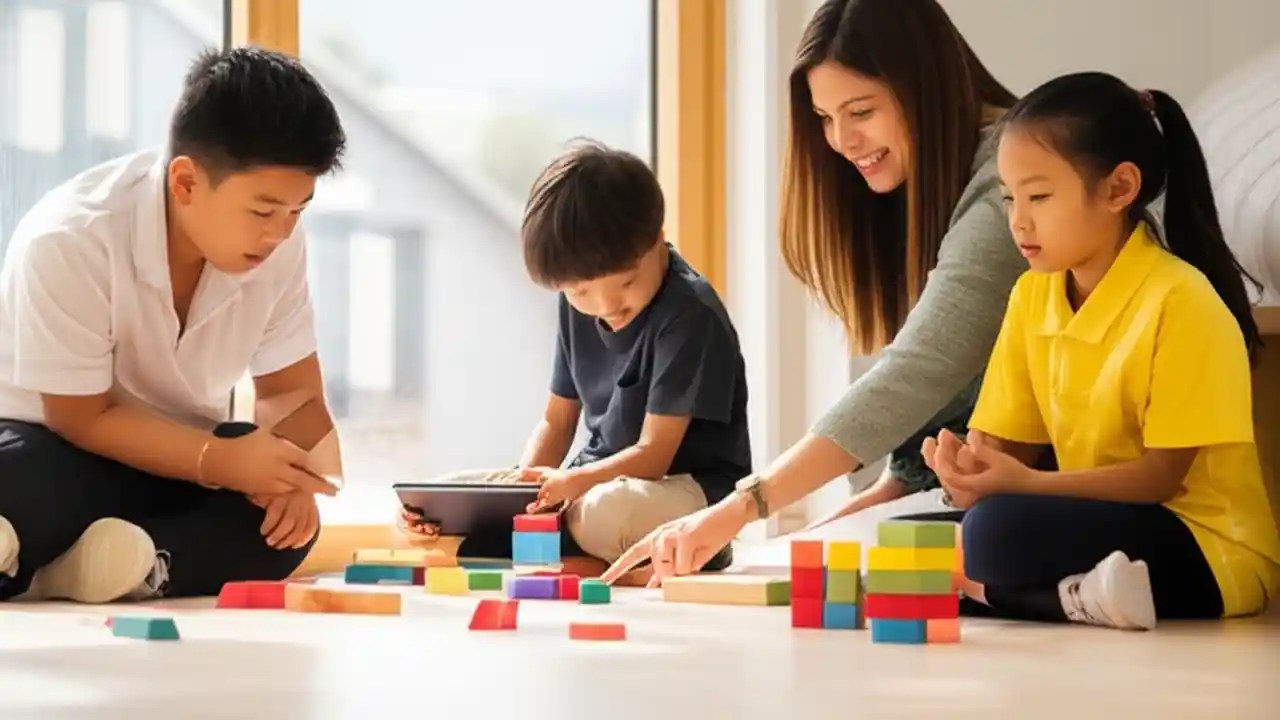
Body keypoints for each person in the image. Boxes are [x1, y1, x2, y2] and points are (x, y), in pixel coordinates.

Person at [603, 0, 1028, 583]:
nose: (842, 140)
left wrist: (741, 507)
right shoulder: (935, 180)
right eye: (825, 117)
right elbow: (929, 437)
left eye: (861, 111)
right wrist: (803, 540)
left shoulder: (1009, 184)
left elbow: (920, 370)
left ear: (924, 86)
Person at [920, 72, 1280, 629]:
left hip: (1203, 544)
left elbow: (1159, 479)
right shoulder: (1032, 295)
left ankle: (1024, 595)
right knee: (919, 538)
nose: (1018, 221)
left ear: (1119, 189)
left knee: (992, 536)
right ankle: (1075, 596)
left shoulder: (1182, 300)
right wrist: (968, 468)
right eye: (1010, 198)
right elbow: (1005, 449)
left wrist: (1027, 485)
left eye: (1039, 197)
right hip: (1100, 519)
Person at [0, 47, 346, 604]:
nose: (280, 234)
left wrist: (289, 474)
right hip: (60, 446)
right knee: (25, 474)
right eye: (263, 211)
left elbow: (292, 392)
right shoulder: (71, 238)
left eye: (297, 211)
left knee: (284, 532)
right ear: (185, 182)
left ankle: (112, 562)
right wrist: (218, 460)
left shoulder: (280, 245)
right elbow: (79, 416)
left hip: (179, 462)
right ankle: (67, 556)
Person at [401, 142, 750, 576]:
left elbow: (654, 455)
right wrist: (525, 486)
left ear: (657, 239)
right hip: (593, 483)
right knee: (433, 502)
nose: (607, 305)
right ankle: (564, 552)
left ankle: (683, 551)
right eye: (581, 292)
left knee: (607, 514)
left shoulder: (689, 314)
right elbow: (557, 421)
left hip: (685, 490)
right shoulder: (576, 307)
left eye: (627, 282)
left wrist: (573, 483)